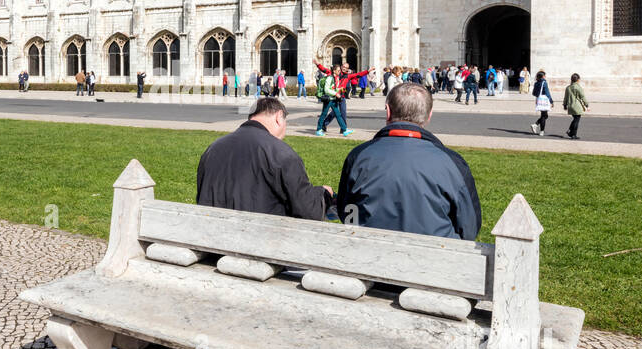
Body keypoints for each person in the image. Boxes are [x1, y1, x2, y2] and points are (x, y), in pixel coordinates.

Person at [335, 83, 481, 241]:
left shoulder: (358, 156)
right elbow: (469, 228)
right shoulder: (452, 162)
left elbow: (347, 212)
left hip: (370, 255)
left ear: (388, 111)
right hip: (435, 259)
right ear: (429, 115)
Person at [197, 98, 332, 220]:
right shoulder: (281, 153)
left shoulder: (213, 149)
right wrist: (324, 194)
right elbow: (309, 211)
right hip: (258, 240)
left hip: (212, 236)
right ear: (279, 117)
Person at [564, 73, 589, 140]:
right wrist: (586, 104)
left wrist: (564, 105)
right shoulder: (578, 87)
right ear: (578, 80)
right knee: (576, 120)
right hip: (577, 106)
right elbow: (583, 97)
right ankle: (573, 134)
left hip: (570, 105)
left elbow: (565, 97)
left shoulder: (568, 88)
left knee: (575, 119)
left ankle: (570, 132)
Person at [531, 70, 553, 136]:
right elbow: (547, 93)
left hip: (539, 100)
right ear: (543, 76)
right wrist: (551, 101)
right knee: (544, 116)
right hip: (545, 100)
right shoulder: (544, 83)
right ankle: (541, 131)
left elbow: (533, 93)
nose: (545, 76)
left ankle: (535, 125)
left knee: (545, 115)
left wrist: (539, 96)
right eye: (545, 75)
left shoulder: (536, 83)